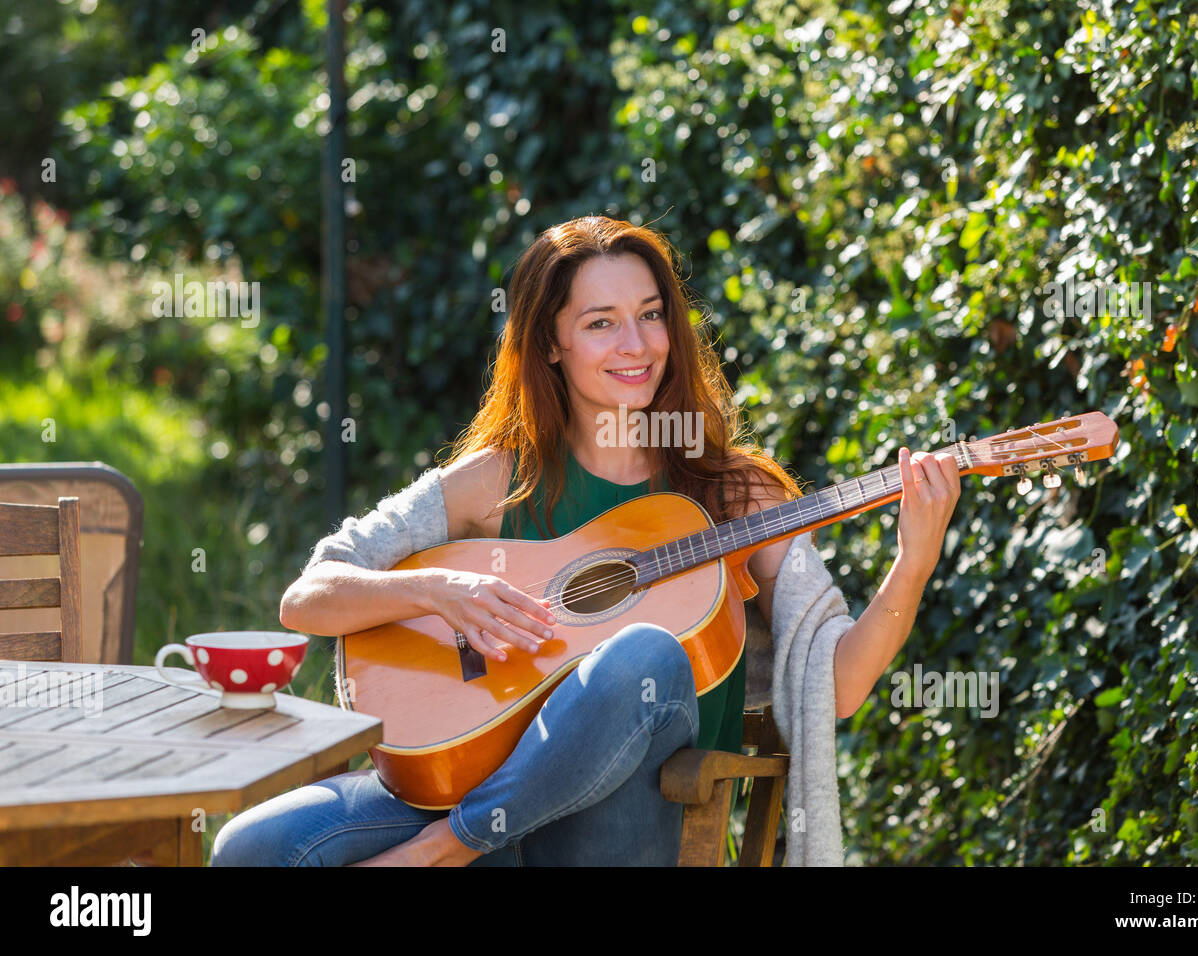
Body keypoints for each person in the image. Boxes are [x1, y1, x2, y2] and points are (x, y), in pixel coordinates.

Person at [209, 215, 960, 867]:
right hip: (469, 789)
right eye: (601, 322)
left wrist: (914, 560)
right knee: (250, 848)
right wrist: (439, 589)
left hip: (622, 831)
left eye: (651, 314)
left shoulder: (736, 494)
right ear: (551, 345)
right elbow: (307, 597)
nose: (636, 344)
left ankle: (441, 855)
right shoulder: (498, 481)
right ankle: (455, 842)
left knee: (644, 654)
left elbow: (840, 686)